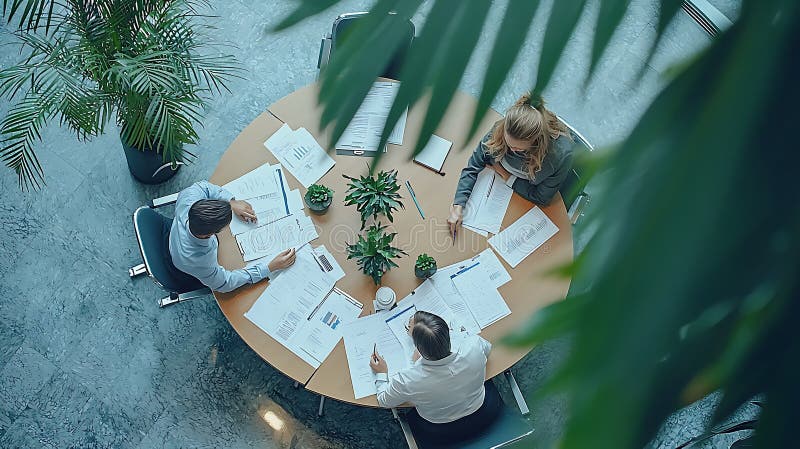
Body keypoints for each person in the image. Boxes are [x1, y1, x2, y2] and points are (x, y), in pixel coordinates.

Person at [448, 92, 574, 238]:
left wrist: (505, 174)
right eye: (508, 144)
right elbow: (474, 165)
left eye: (518, 149)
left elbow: (541, 197)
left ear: (536, 140)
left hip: (526, 197)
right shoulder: (501, 129)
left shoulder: (558, 156)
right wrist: (458, 205)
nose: (512, 150)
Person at [369, 311, 501, 443]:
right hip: (485, 413)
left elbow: (384, 401)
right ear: (449, 333)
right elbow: (487, 349)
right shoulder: (473, 346)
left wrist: (382, 372)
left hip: (441, 432)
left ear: (419, 350)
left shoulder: (408, 379)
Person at [169, 181, 296, 293]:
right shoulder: (200, 261)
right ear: (211, 234)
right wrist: (269, 267)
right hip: (183, 266)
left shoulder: (188, 201)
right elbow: (224, 284)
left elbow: (202, 187)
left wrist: (232, 203)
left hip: (176, 237)